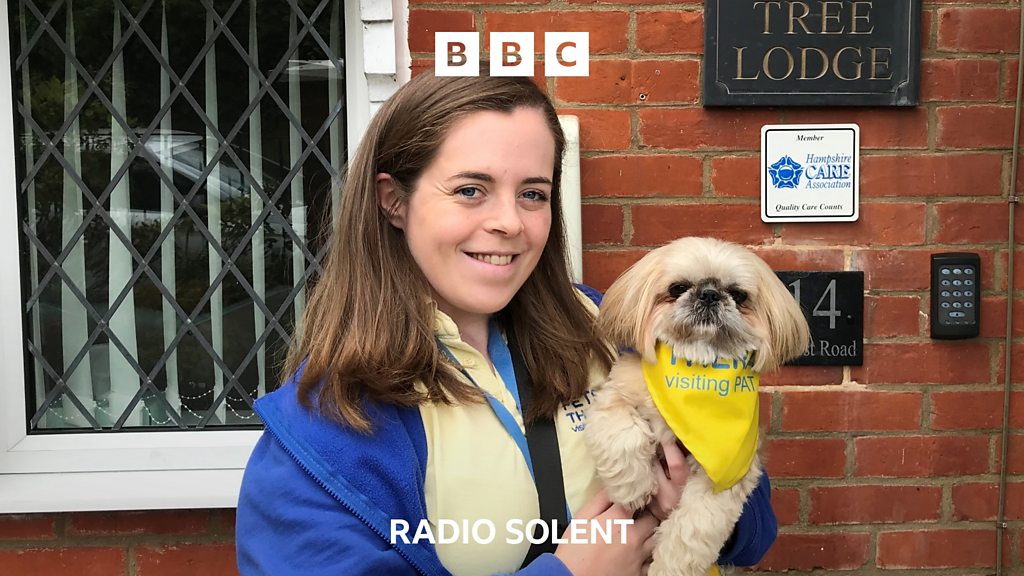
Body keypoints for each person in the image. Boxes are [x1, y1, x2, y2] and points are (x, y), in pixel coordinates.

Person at [235, 68, 777, 576]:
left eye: (532, 194)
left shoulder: (612, 328)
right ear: (393, 200)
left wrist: (694, 502)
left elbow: (754, 529)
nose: (508, 222)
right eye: (470, 190)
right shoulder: (322, 423)